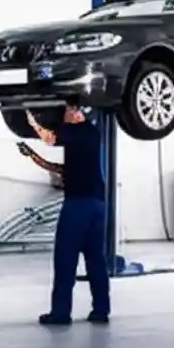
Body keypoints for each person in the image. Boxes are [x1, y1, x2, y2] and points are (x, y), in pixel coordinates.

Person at [23, 98, 110, 326]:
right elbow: (63, 168)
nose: (64, 115)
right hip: (98, 205)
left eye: (68, 110)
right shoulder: (92, 134)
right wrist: (34, 157)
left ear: (78, 113)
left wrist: (34, 123)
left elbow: (50, 139)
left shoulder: (75, 131)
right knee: (95, 260)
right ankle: (101, 310)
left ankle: (60, 313)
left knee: (65, 258)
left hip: (78, 205)